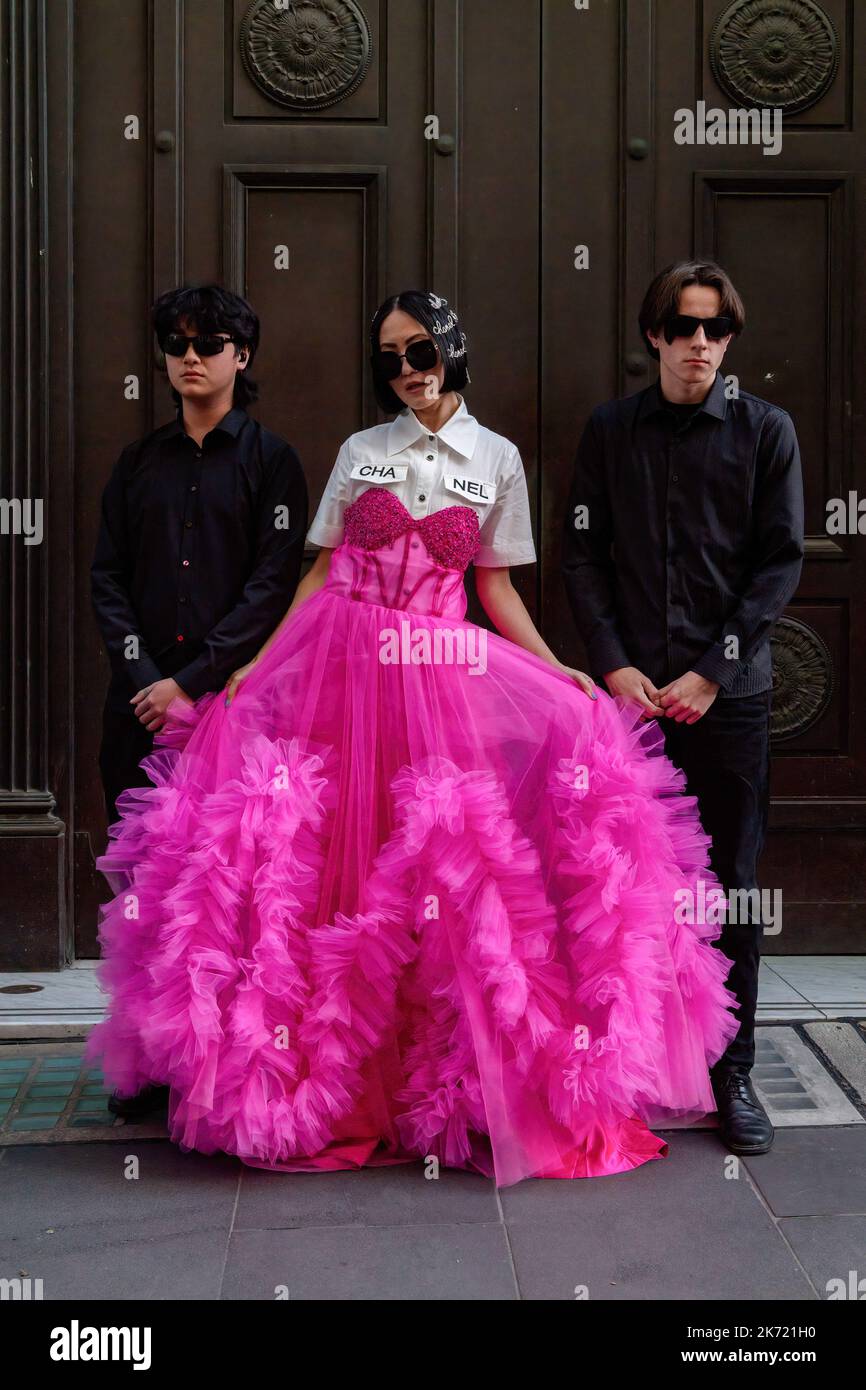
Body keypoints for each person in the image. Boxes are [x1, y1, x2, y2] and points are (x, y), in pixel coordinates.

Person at [85, 289, 740, 1188]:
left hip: (441, 671)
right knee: (339, 864)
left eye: (421, 351)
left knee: (442, 868)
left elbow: (495, 589)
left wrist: (557, 670)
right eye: (390, 358)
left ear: (452, 349)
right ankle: (341, 1081)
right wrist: (257, 665)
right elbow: (321, 572)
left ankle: (439, 1088)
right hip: (344, 664)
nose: (406, 371)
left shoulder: (496, 457)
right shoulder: (363, 450)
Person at [562, 260, 804, 1157]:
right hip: (630, 703)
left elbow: (778, 564)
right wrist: (613, 665)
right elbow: (582, 556)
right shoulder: (611, 430)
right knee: (621, 888)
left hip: (728, 699)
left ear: (729, 338)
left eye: (716, 329)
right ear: (654, 336)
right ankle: (629, 1068)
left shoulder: (765, 431)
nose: (700, 343)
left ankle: (731, 1072)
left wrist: (710, 672)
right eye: (684, 327)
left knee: (731, 886)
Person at [91, 284, 308, 827]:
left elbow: (272, 586)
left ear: (242, 355)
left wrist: (189, 682)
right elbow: (108, 577)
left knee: (227, 858)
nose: (191, 357)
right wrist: (147, 681)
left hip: (235, 700)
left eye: (209, 343)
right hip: (140, 705)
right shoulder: (136, 463)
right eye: (177, 344)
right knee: (136, 854)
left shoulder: (273, 461)